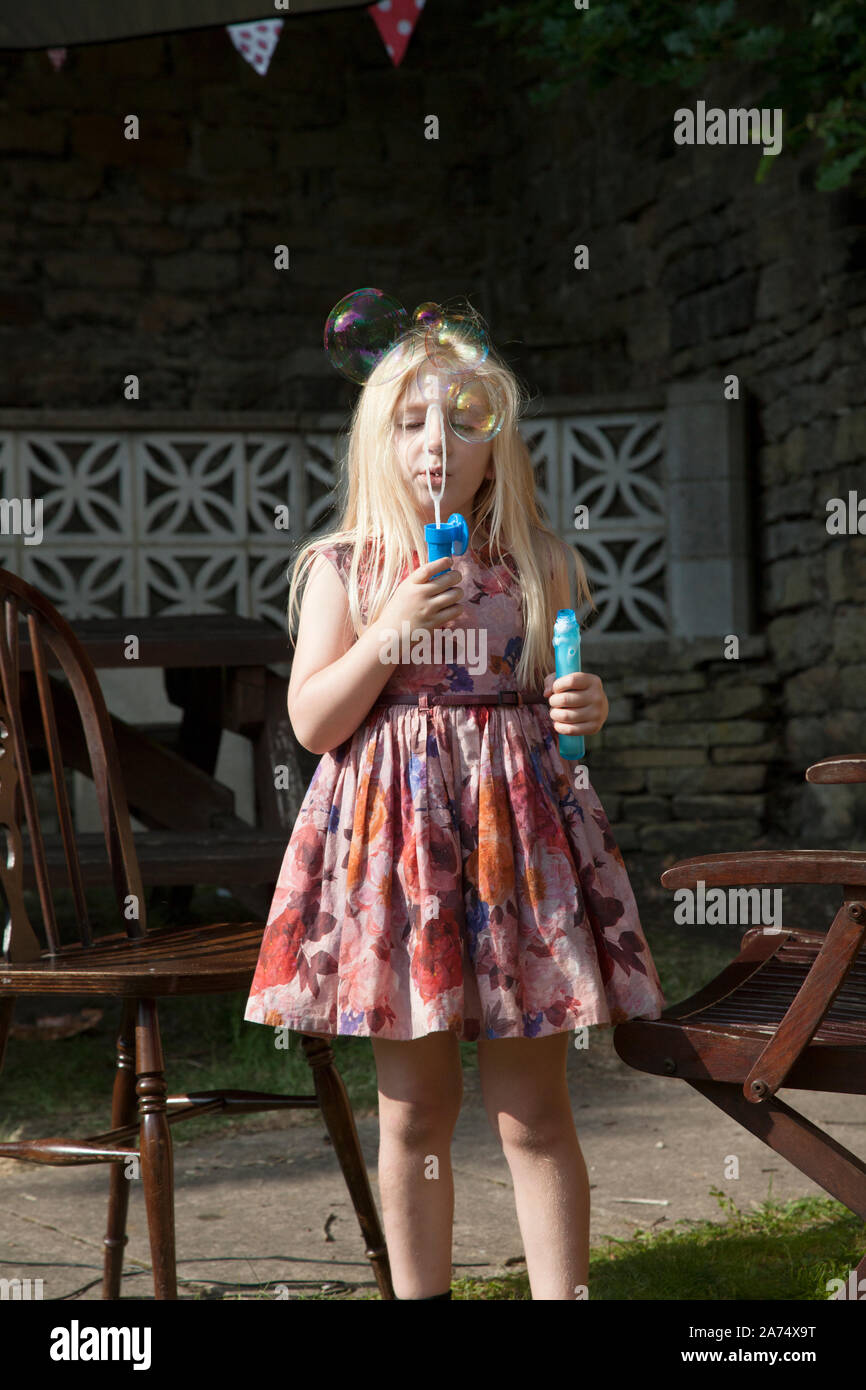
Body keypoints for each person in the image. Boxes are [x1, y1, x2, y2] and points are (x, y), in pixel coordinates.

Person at [244, 308, 668, 1301]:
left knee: (532, 1110)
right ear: (376, 444)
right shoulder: (343, 569)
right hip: (401, 864)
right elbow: (312, 720)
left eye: (463, 418)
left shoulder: (541, 566)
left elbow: (560, 709)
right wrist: (390, 629)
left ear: (497, 445)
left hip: (517, 854)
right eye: (409, 421)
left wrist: (585, 707)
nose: (436, 441)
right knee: (414, 1110)